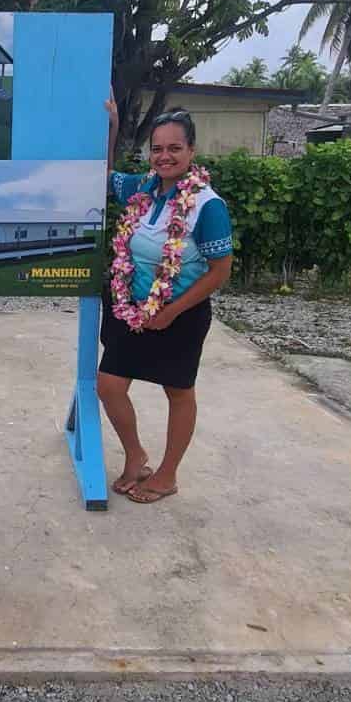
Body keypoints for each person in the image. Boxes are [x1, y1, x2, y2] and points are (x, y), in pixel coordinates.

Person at [98, 98, 233, 505]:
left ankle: (167, 475)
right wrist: (113, 127)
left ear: (191, 151)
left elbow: (219, 272)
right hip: (130, 309)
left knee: (178, 391)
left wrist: (170, 311)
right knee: (109, 385)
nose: (164, 156)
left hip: (180, 314)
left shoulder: (207, 206)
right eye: (157, 148)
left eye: (174, 148)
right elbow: (104, 176)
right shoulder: (143, 188)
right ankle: (136, 455)